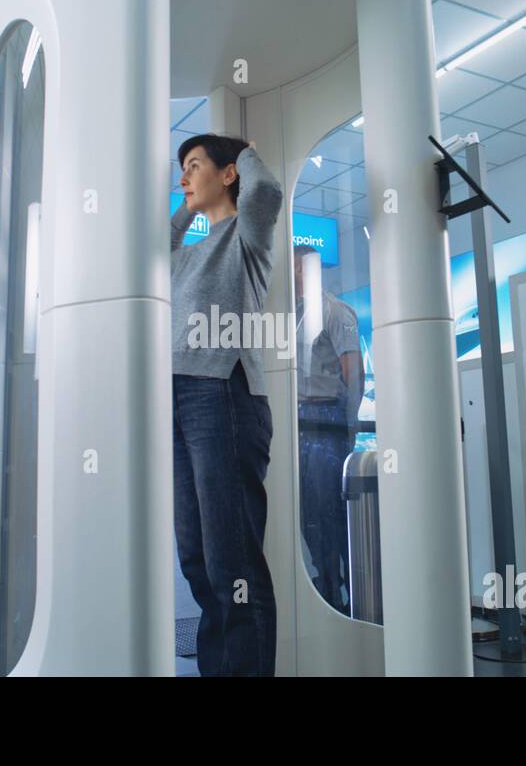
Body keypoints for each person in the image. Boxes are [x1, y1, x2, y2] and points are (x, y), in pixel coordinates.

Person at [171, 134, 283, 676]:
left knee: (231, 563)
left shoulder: (246, 233)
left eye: (194, 166)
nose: (184, 178)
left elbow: (267, 190)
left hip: (224, 394)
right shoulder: (185, 253)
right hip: (177, 398)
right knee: (196, 560)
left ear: (230, 173)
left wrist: (245, 152)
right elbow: (151, 242)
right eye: (181, 170)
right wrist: (187, 202)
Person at [293, 244, 363, 616]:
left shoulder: (335, 312)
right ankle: (326, 589)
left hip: (327, 423)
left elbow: (354, 375)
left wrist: (347, 430)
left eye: (292, 267)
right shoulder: (295, 316)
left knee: (331, 513)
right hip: (302, 425)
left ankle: (355, 592)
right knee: (308, 515)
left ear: (306, 269)